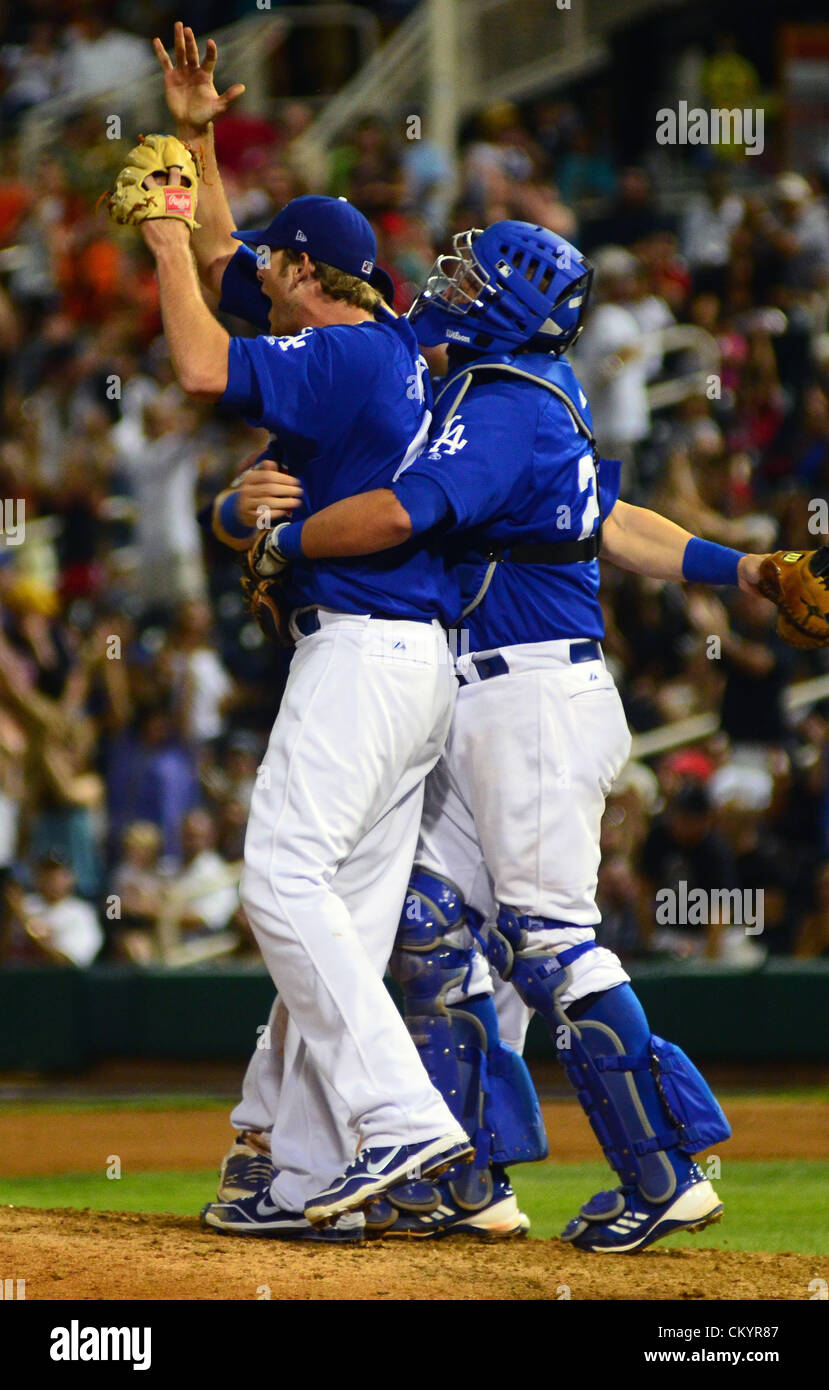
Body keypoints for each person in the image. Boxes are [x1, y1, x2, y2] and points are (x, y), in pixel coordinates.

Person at [224, 220, 779, 1251]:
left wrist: (284, 539)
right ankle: (467, 1176)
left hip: (531, 691)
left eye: (479, 274)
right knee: (429, 925)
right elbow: (611, 521)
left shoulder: (507, 401)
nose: (454, 280)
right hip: (480, 694)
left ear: (515, 302)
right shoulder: (496, 390)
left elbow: (405, 513)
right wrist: (739, 567)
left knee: (551, 938)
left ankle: (664, 1171)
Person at [138, 22, 472, 1241]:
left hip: (367, 649)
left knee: (278, 877)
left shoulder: (337, 358)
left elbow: (192, 358)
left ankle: (399, 1120)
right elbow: (238, 255)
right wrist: (196, 136)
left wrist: (164, 235)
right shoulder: (372, 345)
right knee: (338, 909)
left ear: (304, 273)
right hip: (414, 664)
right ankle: (299, 1171)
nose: (253, 268)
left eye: (271, 264)